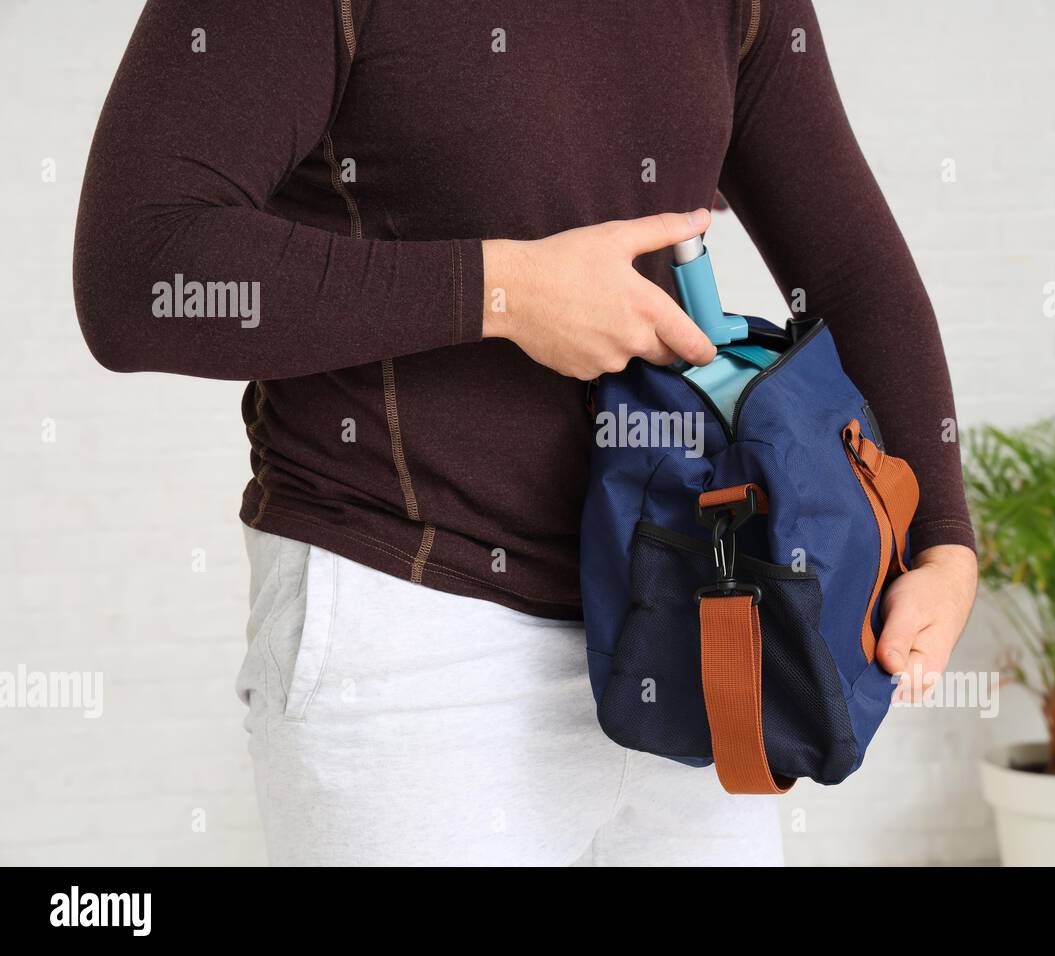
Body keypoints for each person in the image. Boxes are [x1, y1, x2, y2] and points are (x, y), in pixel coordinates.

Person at [73, 0, 978, 866]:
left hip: (684, 614)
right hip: (412, 628)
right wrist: (499, 291)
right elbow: (139, 268)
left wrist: (942, 537)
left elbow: (848, 269)